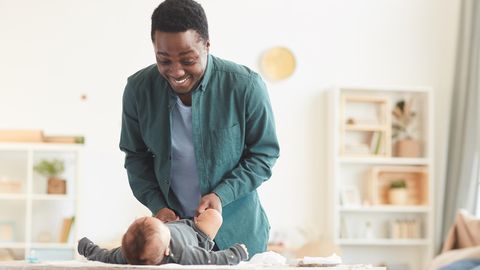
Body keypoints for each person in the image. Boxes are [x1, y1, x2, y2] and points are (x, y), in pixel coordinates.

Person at [119, 0, 279, 257]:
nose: (176, 71)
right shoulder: (139, 90)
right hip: (173, 239)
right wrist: (157, 205)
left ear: (207, 45)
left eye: (188, 59)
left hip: (239, 236)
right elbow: (136, 158)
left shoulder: (245, 86)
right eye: (164, 60)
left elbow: (264, 155)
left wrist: (222, 195)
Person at [78, 209, 249, 265]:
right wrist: (237, 253)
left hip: (173, 226)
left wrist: (87, 247)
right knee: (214, 216)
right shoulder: (183, 253)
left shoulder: (127, 253)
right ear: (168, 250)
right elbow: (212, 259)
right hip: (195, 231)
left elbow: (103, 256)